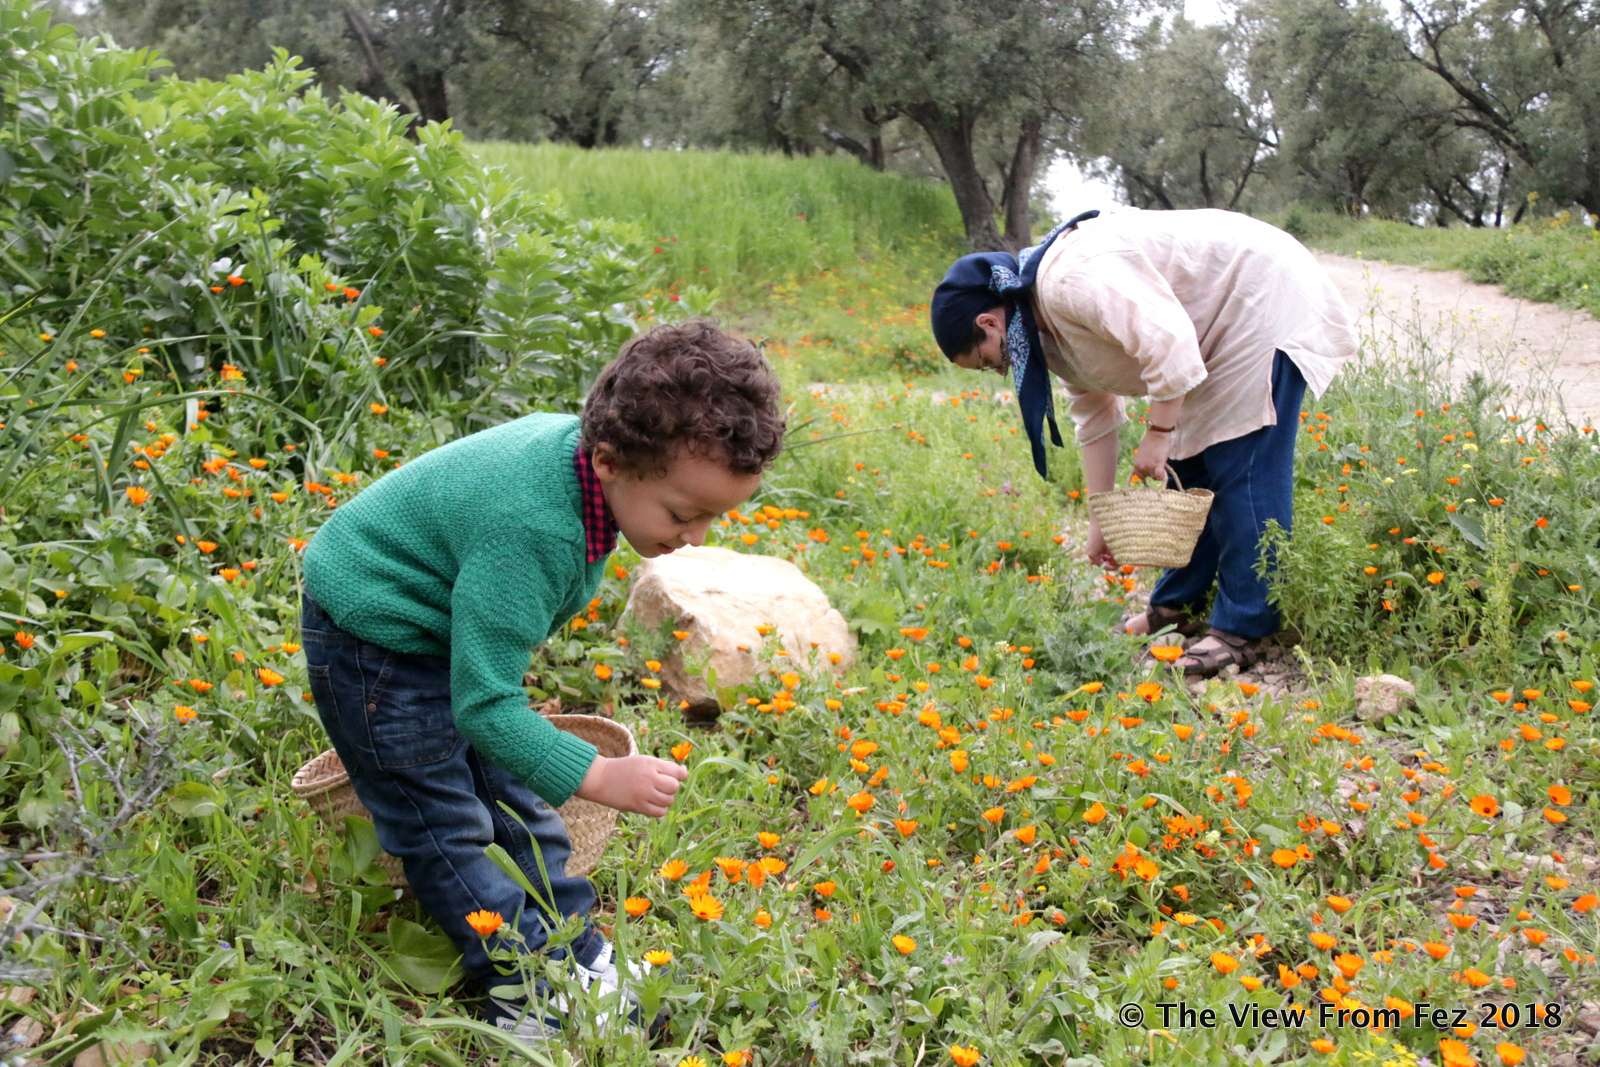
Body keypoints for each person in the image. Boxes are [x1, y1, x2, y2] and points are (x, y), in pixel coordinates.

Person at [300, 320, 786, 1041]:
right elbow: (485, 705)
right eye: (686, 513)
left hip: (435, 625)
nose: (697, 536)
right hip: (372, 638)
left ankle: (574, 947)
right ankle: (525, 985)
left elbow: (490, 689)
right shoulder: (535, 529)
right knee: (440, 821)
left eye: (715, 516)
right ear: (614, 460)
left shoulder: (586, 472)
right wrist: (597, 775)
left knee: (515, 799)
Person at [930, 207, 1356, 676]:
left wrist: (1158, 433)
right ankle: (1176, 606)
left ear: (989, 323)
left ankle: (1244, 629)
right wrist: (1100, 522)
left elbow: (1169, 340)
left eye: (986, 361)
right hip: (1210, 326)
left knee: (1242, 462)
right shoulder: (1042, 330)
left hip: (1257, 295)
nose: (1001, 371)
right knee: (1190, 470)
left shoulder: (1069, 281)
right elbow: (1096, 418)